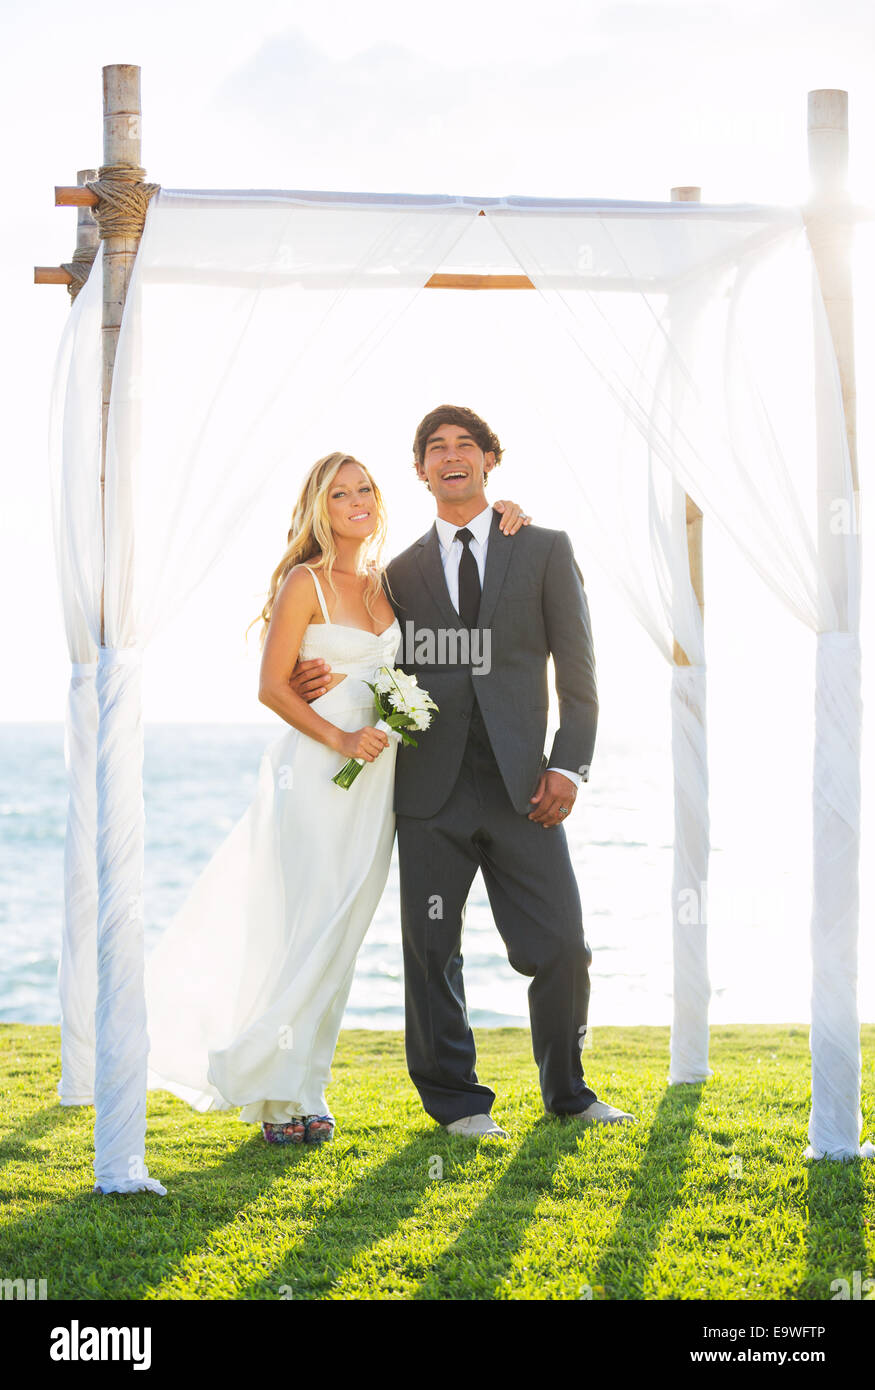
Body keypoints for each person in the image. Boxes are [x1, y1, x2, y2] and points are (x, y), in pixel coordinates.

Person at [144, 450, 528, 1144]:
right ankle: (270, 1090)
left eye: (366, 490)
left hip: (378, 786)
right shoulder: (304, 582)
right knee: (311, 926)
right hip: (321, 776)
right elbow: (271, 686)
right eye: (341, 493)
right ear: (320, 508)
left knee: (342, 934)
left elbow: (443, 620)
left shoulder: (388, 585)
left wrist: (504, 515)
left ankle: (303, 1086)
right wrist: (338, 736)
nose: (357, 501)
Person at [291, 407, 636, 1138]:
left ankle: (568, 1093)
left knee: (562, 945)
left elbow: (578, 670)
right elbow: (370, 654)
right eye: (435, 449)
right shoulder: (399, 572)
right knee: (431, 952)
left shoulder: (542, 547)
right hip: (427, 793)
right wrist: (316, 676)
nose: (450, 456)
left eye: (465, 446)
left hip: (523, 788)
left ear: (488, 460)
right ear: (418, 471)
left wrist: (568, 767)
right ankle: (456, 1104)